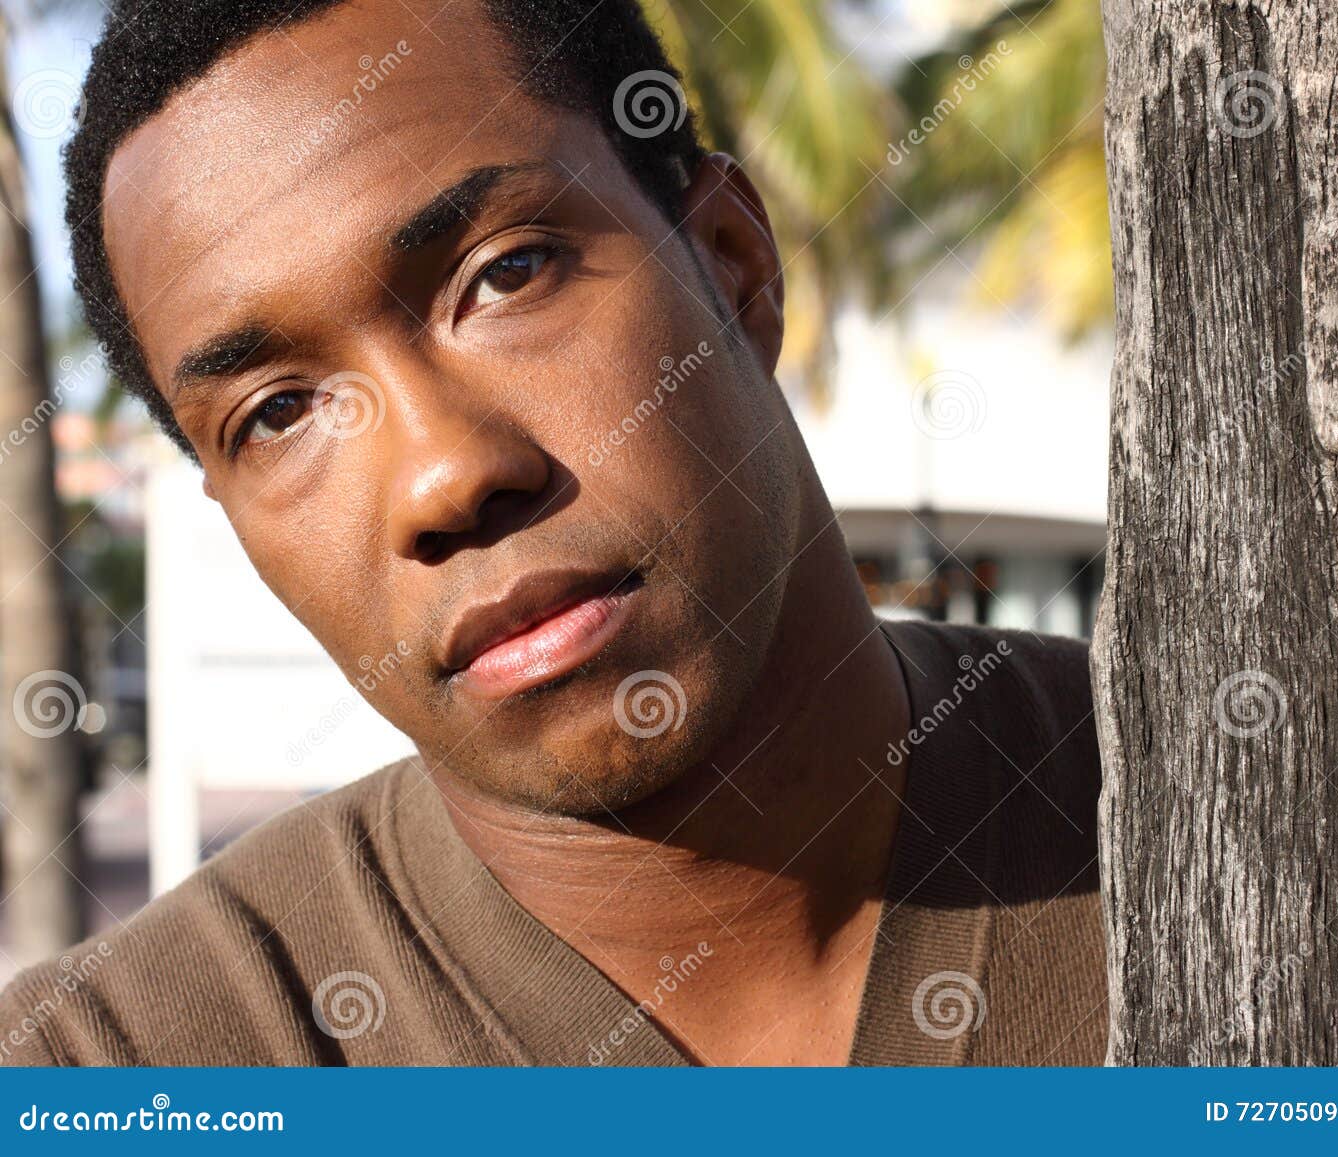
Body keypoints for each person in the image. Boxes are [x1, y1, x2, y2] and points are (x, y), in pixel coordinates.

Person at [0, 0, 1105, 1066]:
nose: (440, 476)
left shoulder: (1224, 805)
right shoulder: (107, 1068)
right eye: (278, 413)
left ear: (733, 261)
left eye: (505, 274)